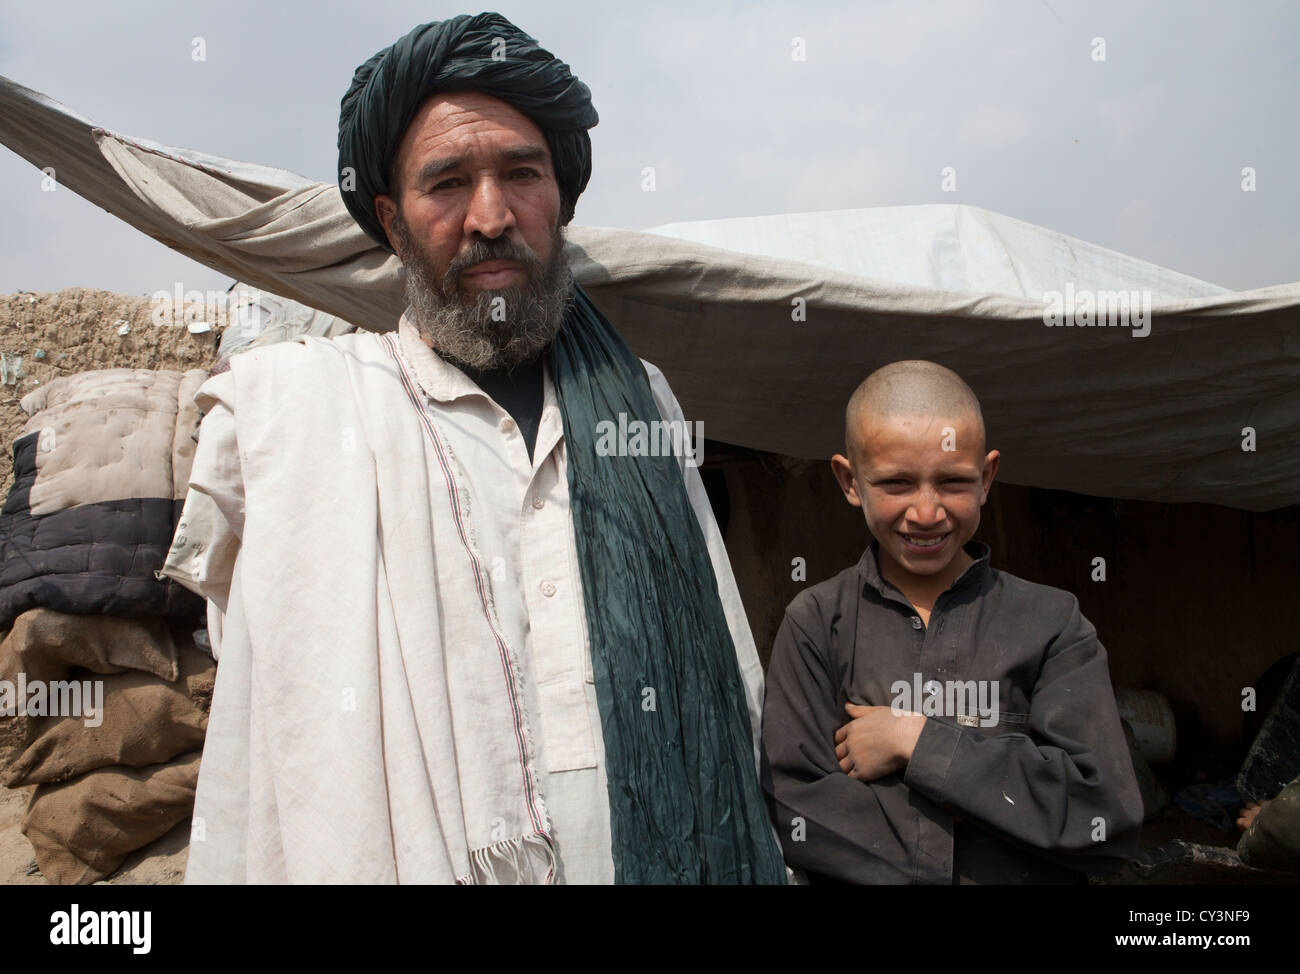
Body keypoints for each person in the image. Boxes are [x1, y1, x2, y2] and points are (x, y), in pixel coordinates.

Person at [180, 13, 785, 885]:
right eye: (448, 183)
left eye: (521, 175)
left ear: (561, 199)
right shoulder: (301, 414)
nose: (491, 216)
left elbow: (723, 646)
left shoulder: (641, 399)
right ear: (391, 220)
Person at [760, 359, 1143, 883]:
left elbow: (1102, 816)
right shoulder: (817, 623)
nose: (926, 512)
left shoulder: (1052, 623)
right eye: (897, 482)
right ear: (850, 481)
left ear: (986, 478)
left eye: (952, 482)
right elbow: (798, 810)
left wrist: (919, 742)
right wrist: (1001, 806)